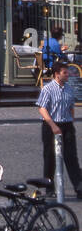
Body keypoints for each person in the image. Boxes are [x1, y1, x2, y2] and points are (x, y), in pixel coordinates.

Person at [38, 59, 82, 197]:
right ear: (57, 74)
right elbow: (42, 109)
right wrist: (53, 125)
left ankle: (79, 187)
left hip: (67, 125)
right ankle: (49, 188)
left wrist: (70, 122)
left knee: (71, 157)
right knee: (50, 157)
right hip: (51, 125)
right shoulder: (48, 89)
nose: (67, 75)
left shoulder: (69, 88)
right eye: (65, 73)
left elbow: (71, 107)